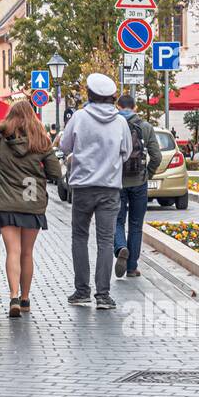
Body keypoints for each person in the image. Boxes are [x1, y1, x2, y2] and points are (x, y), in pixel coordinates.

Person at [59, 73, 130, 310]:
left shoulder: (79, 117)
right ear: (111, 97)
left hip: (82, 188)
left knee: (80, 237)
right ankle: (103, 294)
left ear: (89, 94)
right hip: (110, 188)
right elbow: (126, 151)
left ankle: (82, 291)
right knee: (106, 240)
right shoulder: (120, 122)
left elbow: (64, 146)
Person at [0, 99, 63, 317]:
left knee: (13, 251)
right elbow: (56, 174)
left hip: (7, 203)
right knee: (27, 253)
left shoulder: (1, 137)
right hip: (32, 202)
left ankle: (13, 295)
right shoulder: (42, 140)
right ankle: (25, 298)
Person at [113, 94, 162, 279]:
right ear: (135, 108)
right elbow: (156, 156)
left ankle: (120, 248)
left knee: (116, 220)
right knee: (135, 224)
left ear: (118, 106)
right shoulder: (146, 126)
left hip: (117, 181)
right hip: (139, 181)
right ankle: (132, 267)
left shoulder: (113, 125)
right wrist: (147, 173)